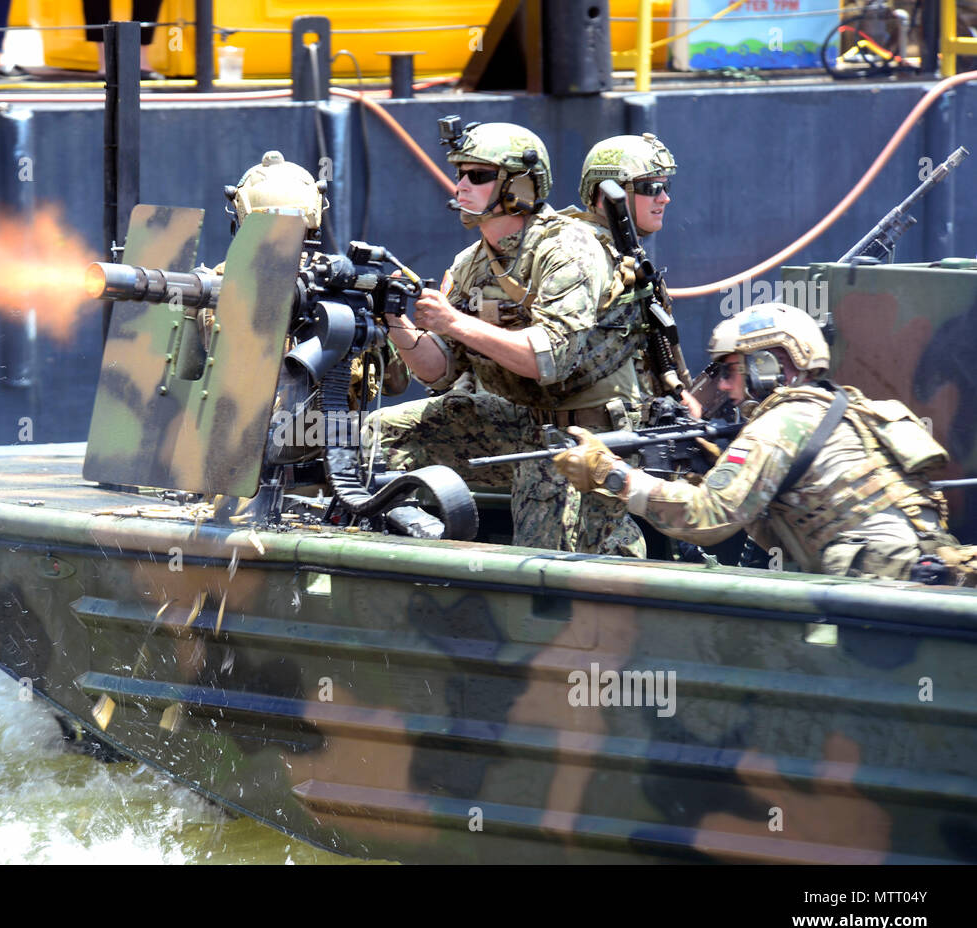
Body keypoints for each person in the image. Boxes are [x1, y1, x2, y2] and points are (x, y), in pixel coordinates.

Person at [371, 120, 648, 555]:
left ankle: (617, 544)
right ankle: (405, 540)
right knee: (379, 435)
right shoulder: (471, 264)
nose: (461, 185)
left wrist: (453, 322)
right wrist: (394, 320)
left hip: (588, 437)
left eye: (478, 176)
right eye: (461, 173)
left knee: (546, 557)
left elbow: (551, 359)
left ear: (519, 186)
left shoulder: (568, 249)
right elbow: (441, 371)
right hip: (521, 423)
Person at [555, 302, 977, 583]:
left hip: (881, 595)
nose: (722, 386)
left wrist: (613, 475)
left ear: (767, 366)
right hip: (928, 575)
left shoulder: (781, 423)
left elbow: (707, 518)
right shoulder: (848, 407)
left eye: (729, 370)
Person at [568, 133, 697, 415]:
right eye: (651, 188)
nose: (665, 198)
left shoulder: (619, 253)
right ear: (606, 195)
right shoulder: (588, 256)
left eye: (665, 186)